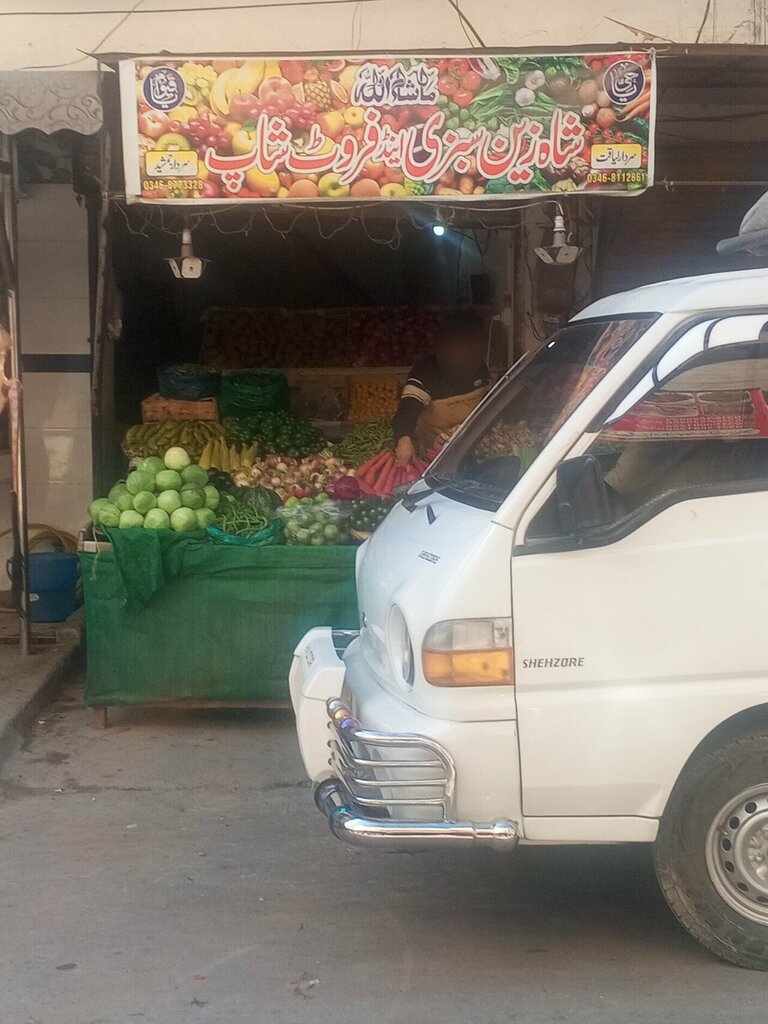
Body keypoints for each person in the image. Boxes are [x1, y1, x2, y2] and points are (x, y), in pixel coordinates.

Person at [392, 311, 489, 466]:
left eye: (465, 350)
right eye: (456, 349)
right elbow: (407, 409)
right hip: (431, 455)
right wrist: (404, 439)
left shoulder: (480, 369)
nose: (460, 356)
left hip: (468, 450)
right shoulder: (425, 372)